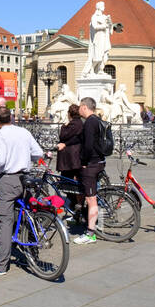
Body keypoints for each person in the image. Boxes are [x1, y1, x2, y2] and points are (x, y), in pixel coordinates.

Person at [0, 105, 44, 275]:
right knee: (27, 215)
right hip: (25, 178)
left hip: (9, 179)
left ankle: (1, 265)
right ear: (11, 118)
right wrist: (25, 157)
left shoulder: (0, 134)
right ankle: (31, 253)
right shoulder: (23, 132)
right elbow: (38, 152)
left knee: (5, 221)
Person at [73, 96, 109, 243]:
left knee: (91, 199)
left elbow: (88, 145)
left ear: (85, 107)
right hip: (100, 161)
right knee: (94, 196)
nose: (79, 109)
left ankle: (90, 233)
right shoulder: (98, 120)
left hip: (91, 164)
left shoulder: (89, 123)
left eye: (80, 106)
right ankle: (95, 225)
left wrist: (83, 161)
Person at [55, 103, 84, 190]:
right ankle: (72, 200)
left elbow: (63, 136)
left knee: (67, 180)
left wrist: (64, 126)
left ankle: (72, 200)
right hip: (74, 157)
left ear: (70, 113)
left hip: (70, 158)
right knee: (71, 179)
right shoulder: (80, 123)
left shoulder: (73, 124)